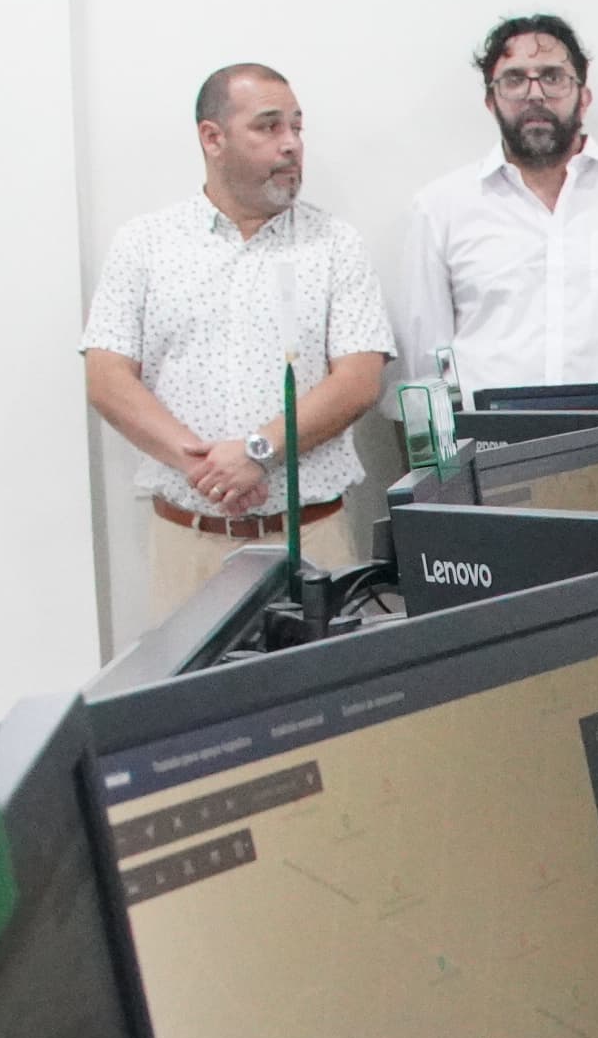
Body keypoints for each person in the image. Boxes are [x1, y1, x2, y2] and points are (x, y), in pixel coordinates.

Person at [80, 62, 391, 621]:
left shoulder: (335, 245)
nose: (291, 144)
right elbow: (106, 377)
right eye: (269, 127)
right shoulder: (146, 245)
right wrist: (206, 466)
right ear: (212, 138)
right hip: (187, 546)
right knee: (196, 708)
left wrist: (257, 453)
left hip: (311, 542)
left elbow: (360, 380)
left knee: (327, 703)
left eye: (297, 127)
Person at [392, 14, 598, 404]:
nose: (534, 94)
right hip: (489, 451)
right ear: (490, 100)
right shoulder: (440, 209)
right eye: (515, 79)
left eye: (552, 77)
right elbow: (423, 374)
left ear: (583, 97)